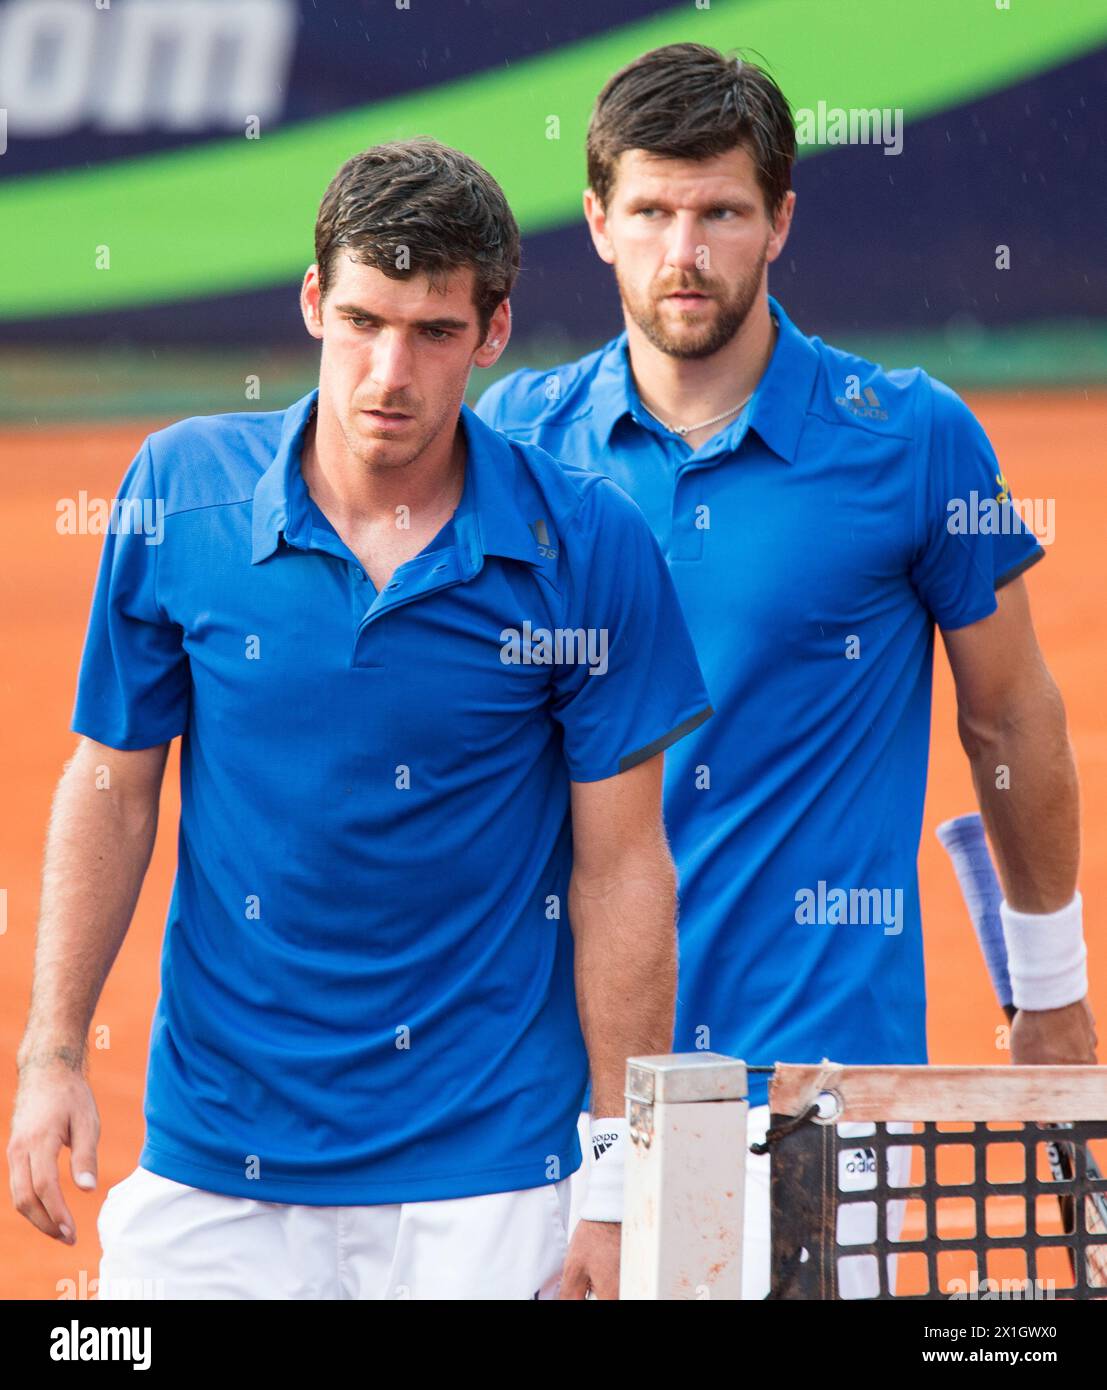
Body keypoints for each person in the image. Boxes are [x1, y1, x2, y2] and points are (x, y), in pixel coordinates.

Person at [7, 137, 712, 1301]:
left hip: (489, 1178)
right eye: (363, 321)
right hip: (216, 1165)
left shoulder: (586, 546)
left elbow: (623, 869)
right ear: (311, 306)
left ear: (490, 334)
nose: (391, 372)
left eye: (435, 333)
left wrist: (615, 1178)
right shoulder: (179, 492)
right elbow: (111, 784)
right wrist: (50, 1053)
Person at [476, 44, 1096, 1297]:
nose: (684, 253)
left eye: (721, 212)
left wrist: (1052, 988)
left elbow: (1010, 715)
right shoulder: (508, 447)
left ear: (781, 222)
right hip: (562, 1093)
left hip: (813, 1092)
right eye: (650, 211)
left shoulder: (914, 439)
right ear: (597, 222)